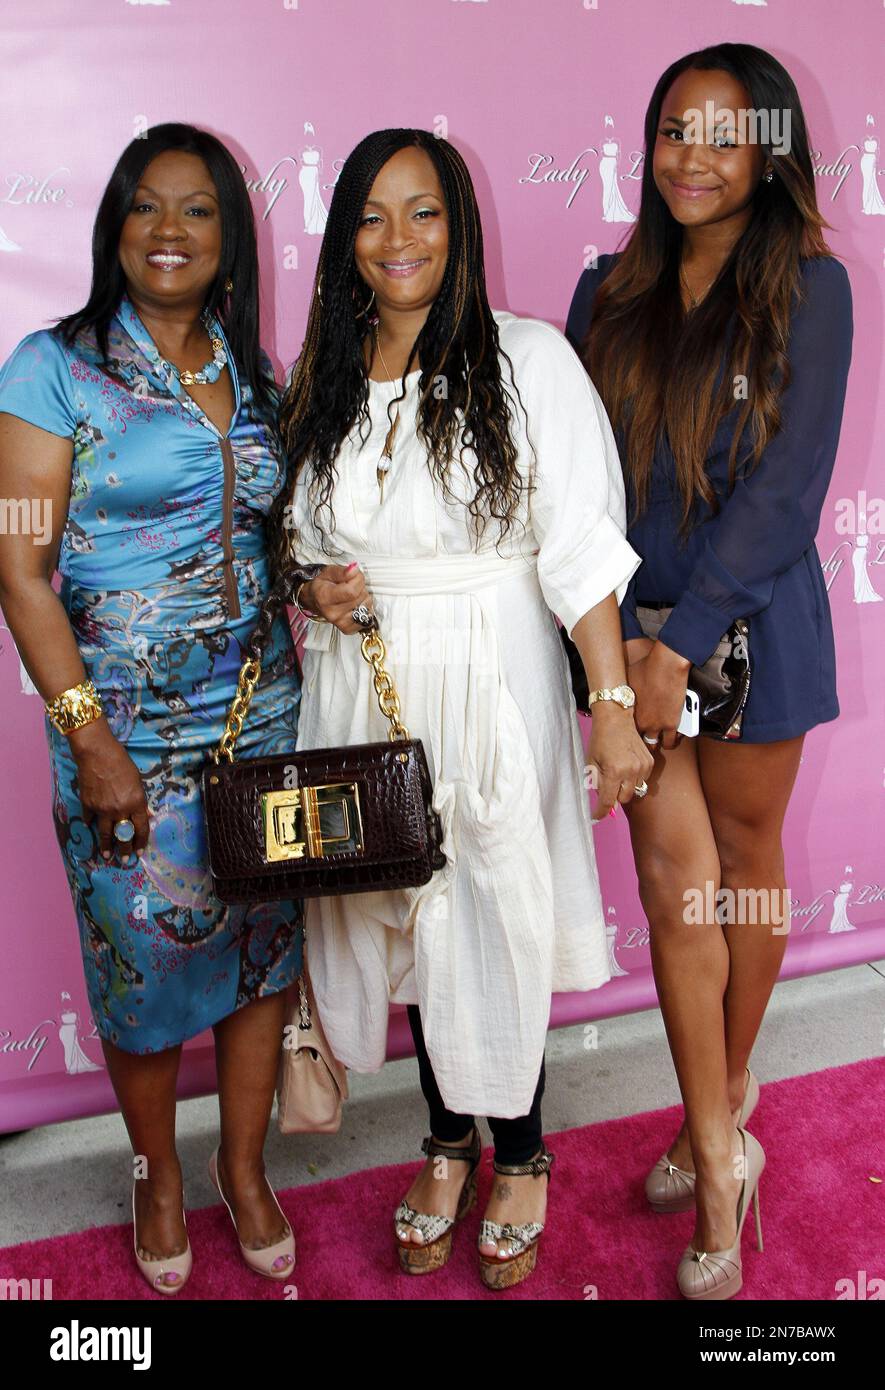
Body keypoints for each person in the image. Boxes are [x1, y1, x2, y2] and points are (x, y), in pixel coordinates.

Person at [270, 127, 654, 1290]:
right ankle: (446, 1143)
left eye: (424, 212)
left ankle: (521, 1157)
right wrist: (313, 588)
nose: (400, 240)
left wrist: (616, 705)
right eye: (374, 217)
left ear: (462, 226)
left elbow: (578, 551)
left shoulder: (528, 359)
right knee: (404, 923)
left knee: (493, 912)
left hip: (491, 683)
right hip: (362, 696)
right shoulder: (321, 385)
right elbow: (290, 539)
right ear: (344, 240)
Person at [566, 43, 853, 1300]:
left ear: (771, 151)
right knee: (674, 894)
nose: (692, 154)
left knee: (741, 881)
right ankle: (726, 1149)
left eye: (724, 133)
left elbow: (789, 491)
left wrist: (683, 646)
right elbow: (578, 485)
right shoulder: (607, 289)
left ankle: (716, 1113)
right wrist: (625, 644)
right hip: (627, 638)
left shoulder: (813, 287)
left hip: (749, 630)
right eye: (676, 128)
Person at [0, 124, 305, 1295]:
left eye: (197, 211)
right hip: (119, 727)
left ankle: (244, 1168)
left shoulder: (256, 369)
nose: (169, 231)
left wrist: (309, 584)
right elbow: (21, 570)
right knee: (140, 975)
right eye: (146, 208)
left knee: (262, 955)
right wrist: (89, 737)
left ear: (229, 237)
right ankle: (157, 1180)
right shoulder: (54, 366)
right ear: (114, 229)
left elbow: (259, 539)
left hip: (260, 712)